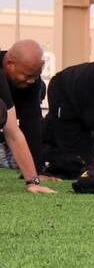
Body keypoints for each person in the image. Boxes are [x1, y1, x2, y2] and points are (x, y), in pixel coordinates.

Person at [0, 40, 55, 193]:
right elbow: (12, 132)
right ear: (10, 64)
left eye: (35, 76)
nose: (31, 81)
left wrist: (36, 176)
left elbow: (29, 126)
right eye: (27, 75)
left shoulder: (33, 83)